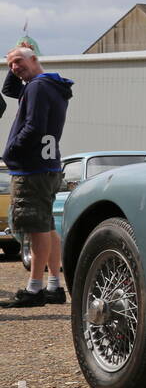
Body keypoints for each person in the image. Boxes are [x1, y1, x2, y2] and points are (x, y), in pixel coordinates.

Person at [2, 46, 74, 307]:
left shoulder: (36, 88)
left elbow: (33, 127)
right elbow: (8, 90)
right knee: (46, 226)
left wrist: (10, 151)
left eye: (18, 62)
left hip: (32, 169)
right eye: (9, 65)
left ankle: (34, 290)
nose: (13, 68)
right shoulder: (48, 86)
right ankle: (54, 285)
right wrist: (17, 61)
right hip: (48, 167)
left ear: (34, 59)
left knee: (35, 228)